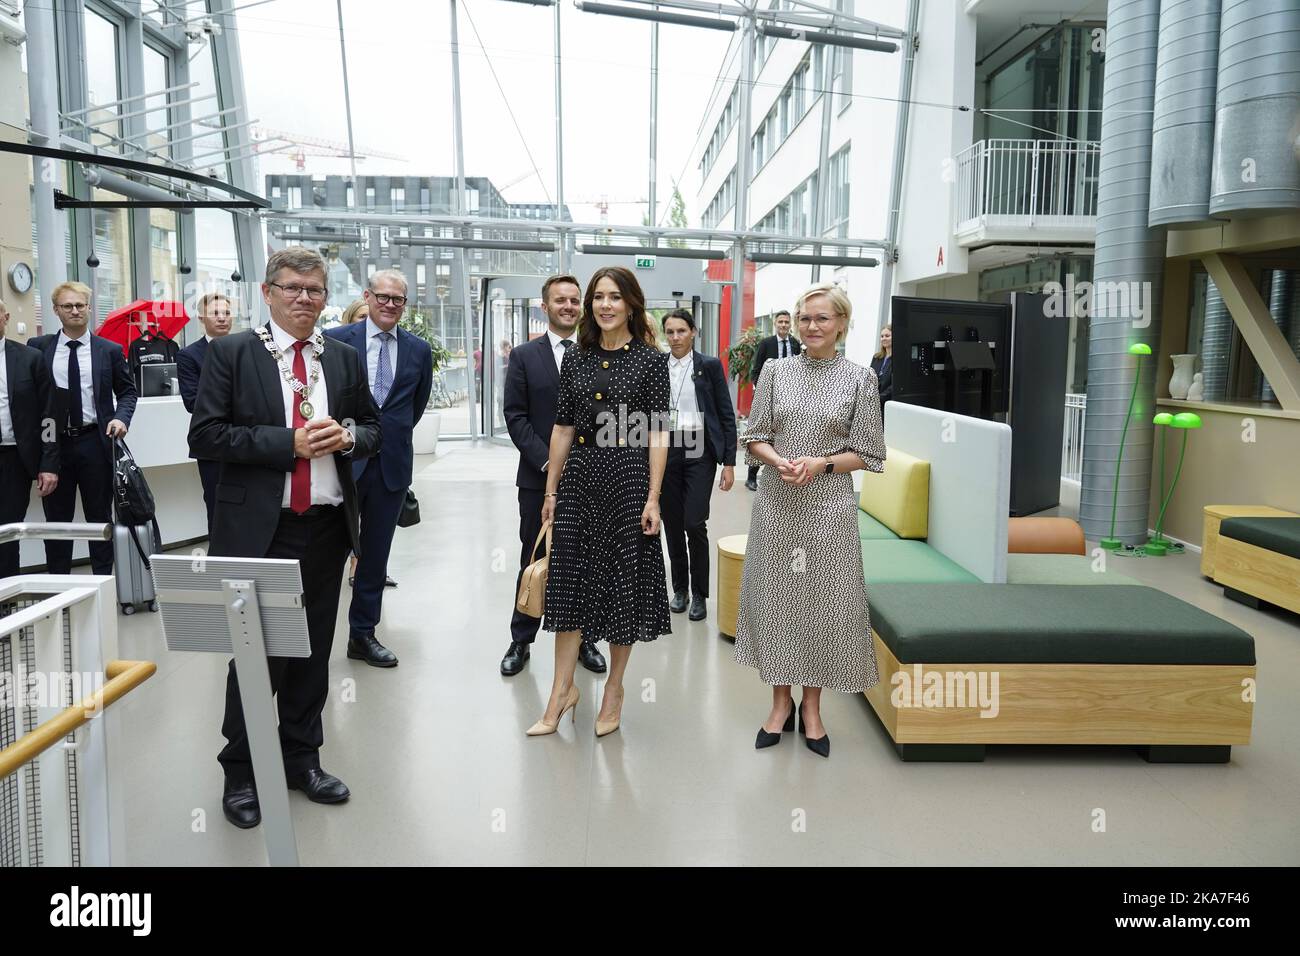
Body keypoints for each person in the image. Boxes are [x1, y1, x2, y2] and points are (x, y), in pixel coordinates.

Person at [189, 247, 381, 828]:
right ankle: (242, 771)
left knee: (312, 653)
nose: (305, 298)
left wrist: (346, 438)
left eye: (315, 290)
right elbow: (206, 435)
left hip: (323, 529)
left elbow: (372, 426)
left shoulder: (343, 359)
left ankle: (302, 758)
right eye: (294, 288)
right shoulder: (231, 354)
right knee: (255, 657)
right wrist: (286, 444)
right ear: (269, 292)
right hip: (258, 533)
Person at [735, 282, 885, 759]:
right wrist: (777, 461)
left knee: (822, 603)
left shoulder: (861, 378)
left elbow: (869, 454)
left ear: (841, 324)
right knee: (778, 599)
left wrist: (820, 464)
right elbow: (753, 435)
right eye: (804, 318)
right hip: (779, 504)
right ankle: (780, 705)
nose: (811, 327)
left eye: (822, 319)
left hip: (829, 508)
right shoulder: (776, 371)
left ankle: (813, 709)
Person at [529, 266, 671, 738]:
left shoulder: (651, 362)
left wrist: (653, 498)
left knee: (620, 587)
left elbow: (657, 433)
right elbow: (563, 427)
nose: (605, 305)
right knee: (568, 585)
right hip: (579, 480)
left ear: (631, 303)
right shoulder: (577, 357)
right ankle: (560, 691)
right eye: (598, 297)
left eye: (614, 297)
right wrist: (551, 492)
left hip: (629, 480)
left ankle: (614, 688)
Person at [500, 274, 607, 677]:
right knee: (535, 556)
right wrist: (551, 464)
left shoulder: (599, 353)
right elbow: (515, 416)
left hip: (594, 478)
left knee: (587, 561)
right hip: (537, 477)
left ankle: (585, 638)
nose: (568, 306)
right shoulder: (526, 356)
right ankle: (520, 638)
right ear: (545, 306)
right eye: (560, 300)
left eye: (574, 300)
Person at [324, 269, 431, 668]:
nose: (389, 304)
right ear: (367, 297)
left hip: (391, 467)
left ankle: (362, 635)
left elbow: (413, 408)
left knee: (374, 555)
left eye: (398, 299)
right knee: (329, 551)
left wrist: (391, 438)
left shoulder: (418, 350)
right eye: (382, 297)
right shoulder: (336, 341)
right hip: (341, 463)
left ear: (405, 304)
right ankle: (316, 636)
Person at [28, 281, 136, 575]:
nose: (75, 311)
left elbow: (127, 392)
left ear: (89, 307)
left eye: (80, 305)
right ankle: (58, 589)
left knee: (99, 520)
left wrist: (121, 418)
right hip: (53, 445)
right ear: (55, 311)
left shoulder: (110, 350)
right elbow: (34, 401)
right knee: (57, 522)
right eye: (67, 306)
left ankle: (102, 584)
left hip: (95, 443)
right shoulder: (38, 348)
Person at [660, 308, 736, 622]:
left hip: (700, 450)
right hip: (665, 449)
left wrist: (730, 462)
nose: (675, 337)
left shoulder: (709, 366)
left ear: (693, 332)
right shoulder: (657, 365)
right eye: (670, 332)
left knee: (694, 522)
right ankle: (680, 590)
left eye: (681, 331)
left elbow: (725, 412)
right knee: (672, 524)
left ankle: (700, 594)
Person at [0, 299, 59, 579]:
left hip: (13, 459)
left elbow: (48, 415)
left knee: (8, 532)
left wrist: (48, 461)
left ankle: (7, 604)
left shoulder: (29, 359)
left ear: (5, 317)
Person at [177, 292, 234, 533]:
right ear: (201, 317)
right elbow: (193, 401)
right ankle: (219, 564)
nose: (222, 318)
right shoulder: (189, 355)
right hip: (212, 442)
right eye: (215, 313)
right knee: (217, 503)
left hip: (249, 438)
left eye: (227, 313)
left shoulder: (247, 348)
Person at [745, 310, 801, 490]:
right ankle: (751, 477)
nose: (784, 325)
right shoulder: (766, 343)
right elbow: (756, 370)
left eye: (786, 322)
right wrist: (762, 392)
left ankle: (785, 472)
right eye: (780, 322)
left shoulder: (795, 343)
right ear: (775, 324)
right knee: (762, 437)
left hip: (791, 398)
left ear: (790, 324)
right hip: (769, 397)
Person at [127, 308, 180, 387]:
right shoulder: (135, 345)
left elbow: (170, 368)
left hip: (163, 387)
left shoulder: (164, 344)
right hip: (143, 389)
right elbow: (130, 372)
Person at [870, 323, 893, 418]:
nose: (884, 338)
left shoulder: (900, 359)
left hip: (888, 405)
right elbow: (869, 377)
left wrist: (878, 398)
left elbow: (894, 385)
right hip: (873, 405)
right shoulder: (876, 357)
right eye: (882, 336)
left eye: (887, 336)